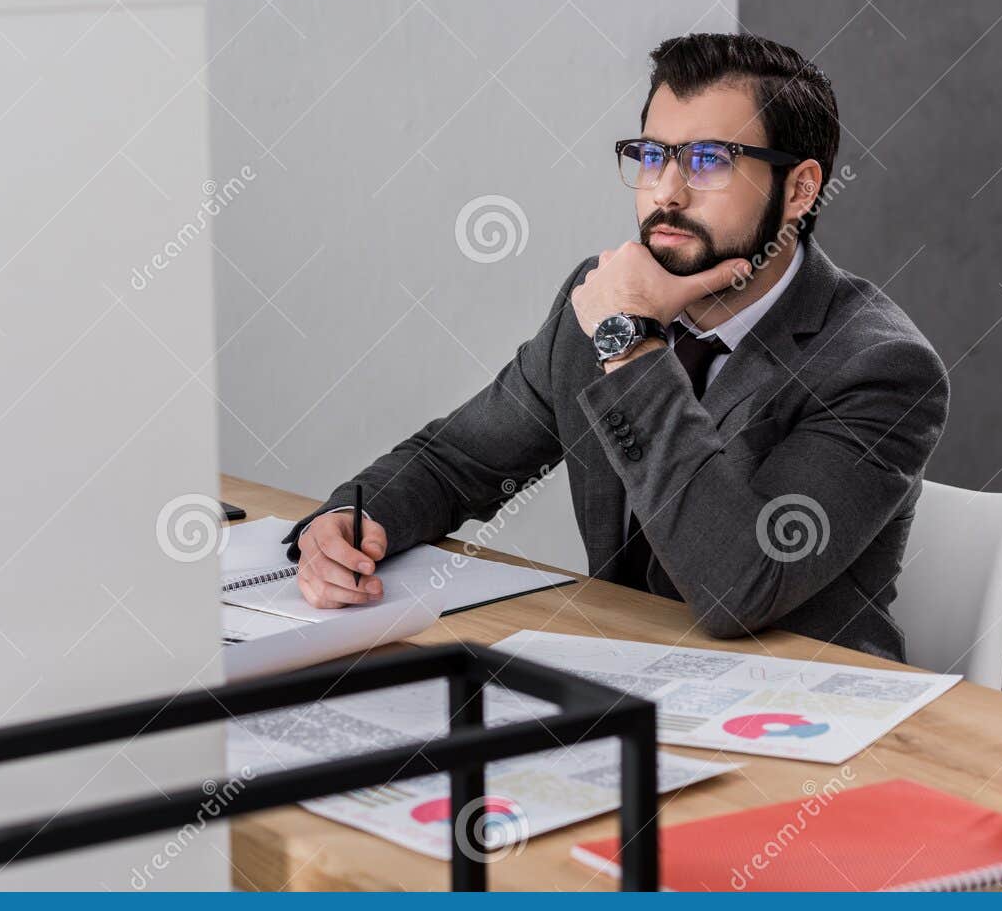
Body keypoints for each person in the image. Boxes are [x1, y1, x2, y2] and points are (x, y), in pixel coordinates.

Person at [283, 32, 948, 660]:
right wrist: (349, 520)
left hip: (809, 720)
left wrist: (629, 342)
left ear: (800, 188)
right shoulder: (600, 302)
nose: (666, 191)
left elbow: (737, 590)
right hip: (630, 681)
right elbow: (459, 461)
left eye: (711, 160)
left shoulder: (880, 367)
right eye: (653, 155)